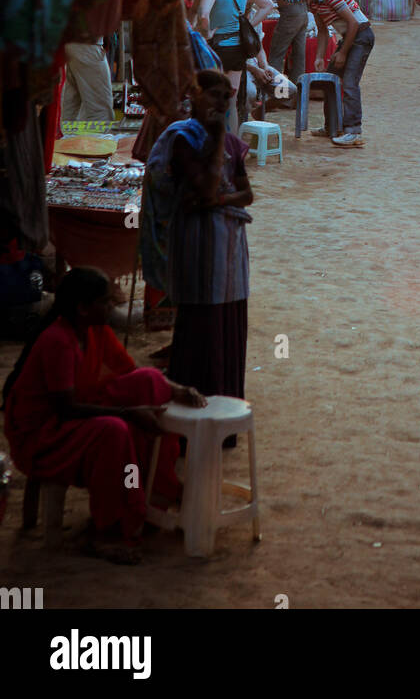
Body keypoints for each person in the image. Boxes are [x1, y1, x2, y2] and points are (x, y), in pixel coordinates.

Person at [2, 266, 205, 563]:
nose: (111, 307)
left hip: (71, 413)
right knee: (114, 430)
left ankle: (157, 489)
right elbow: (65, 408)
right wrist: (129, 413)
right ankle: (106, 530)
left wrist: (178, 389)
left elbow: (133, 373)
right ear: (83, 309)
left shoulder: (96, 330)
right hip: (43, 435)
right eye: (105, 302)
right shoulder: (58, 340)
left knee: (148, 381)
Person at [140, 70, 253, 408]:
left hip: (230, 250)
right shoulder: (183, 138)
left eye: (225, 98)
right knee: (202, 327)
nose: (220, 103)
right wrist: (217, 138)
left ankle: (225, 414)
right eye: (214, 95)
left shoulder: (231, 141)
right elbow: (204, 184)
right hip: (199, 248)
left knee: (228, 326)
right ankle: (194, 417)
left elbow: (245, 194)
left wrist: (218, 201)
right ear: (194, 95)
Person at [282, 0, 374, 147]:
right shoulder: (312, 0)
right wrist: (319, 57)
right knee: (329, 81)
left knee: (349, 83)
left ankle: (354, 131)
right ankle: (332, 126)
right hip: (349, 38)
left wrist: (343, 52)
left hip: (361, 37)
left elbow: (353, 23)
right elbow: (322, 30)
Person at [197, 0, 274, 132]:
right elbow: (268, 4)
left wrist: (206, 34)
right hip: (238, 51)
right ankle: (231, 147)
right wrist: (248, 25)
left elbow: (204, 17)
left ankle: (211, 148)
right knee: (230, 103)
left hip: (216, 50)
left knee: (210, 102)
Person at [61, 39, 115, 125]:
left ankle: (64, 136)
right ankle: (100, 136)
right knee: (101, 110)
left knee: (71, 104)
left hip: (70, 42)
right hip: (89, 43)